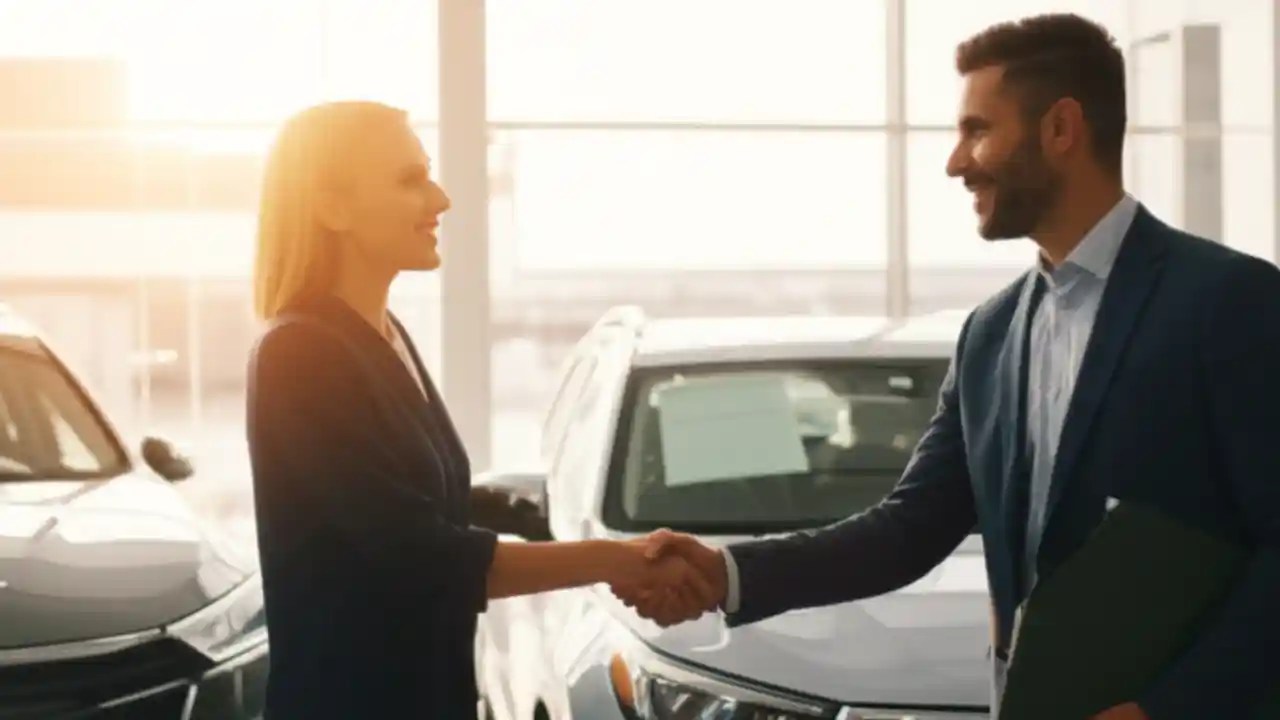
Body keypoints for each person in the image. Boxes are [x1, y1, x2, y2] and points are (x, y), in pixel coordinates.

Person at [624, 13, 1280, 720]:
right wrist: (725, 573)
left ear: (1061, 129)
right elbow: (909, 528)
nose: (955, 162)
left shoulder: (1228, 301)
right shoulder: (992, 333)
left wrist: (1167, 711)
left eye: (977, 130)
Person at [245, 101, 713, 720]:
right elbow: (424, 558)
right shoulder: (302, 353)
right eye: (409, 179)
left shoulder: (383, 335)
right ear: (331, 206)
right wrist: (616, 560)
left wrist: (545, 515)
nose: (440, 200)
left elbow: (411, 500)